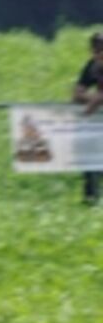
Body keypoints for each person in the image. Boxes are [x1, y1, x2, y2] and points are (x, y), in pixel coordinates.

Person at [71, 31, 103, 205]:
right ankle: (90, 199)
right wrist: (94, 99)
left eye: (101, 50)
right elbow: (77, 93)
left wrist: (98, 99)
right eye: (96, 50)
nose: (99, 54)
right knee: (90, 155)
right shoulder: (92, 66)